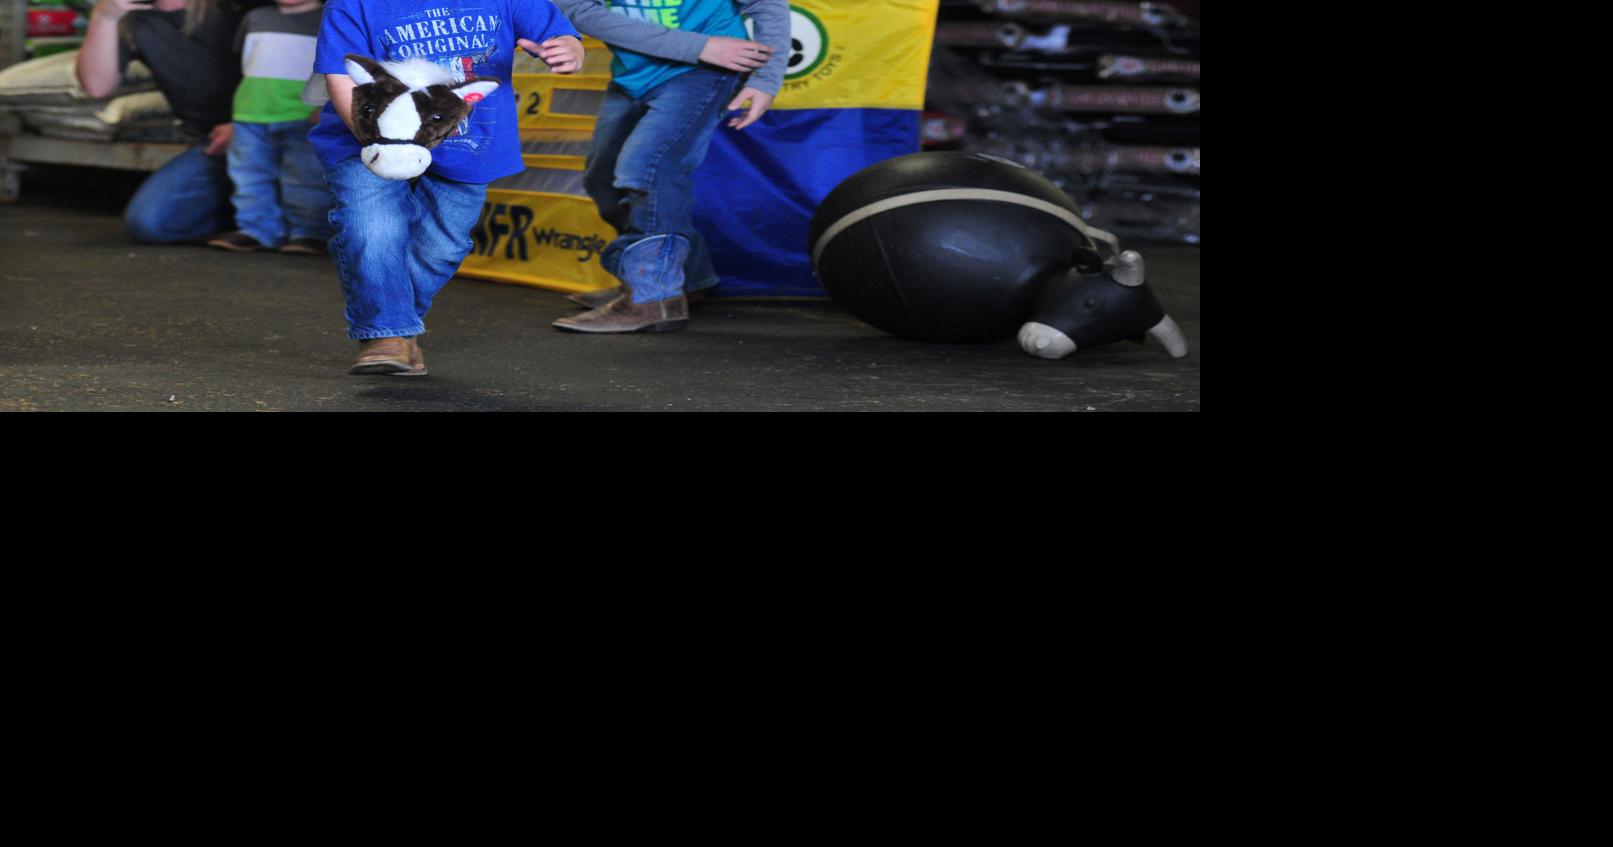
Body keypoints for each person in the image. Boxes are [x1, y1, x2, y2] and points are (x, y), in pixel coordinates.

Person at [312, 0, 583, 376]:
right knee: (373, 227)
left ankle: (399, 325)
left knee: (443, 246)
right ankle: (386, 334)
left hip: (466, 144)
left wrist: (569, 48)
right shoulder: (353, 4)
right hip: (372, 142)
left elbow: (558, 32)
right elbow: (342, 74)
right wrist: (377, 141)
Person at [549, 0, 789, 334]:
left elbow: (767, 5)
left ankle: (653, 295)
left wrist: (766, 78)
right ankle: (688, 277)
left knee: (648, 169)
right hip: (638, 72)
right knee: (603, 180)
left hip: (706, 71)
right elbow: (578, 11)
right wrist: (697, 46)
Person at [76, 0, 247, 244]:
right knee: (150, 222)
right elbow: (96, 86)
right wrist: (104, 17)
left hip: (276, 132)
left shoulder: (234, 8)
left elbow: (296, 61)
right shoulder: (134, 18)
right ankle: (247, 219)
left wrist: (246, 125)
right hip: (213, 144)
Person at [206, 0, 334, 255]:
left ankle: (309, 232)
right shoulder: (254, 17)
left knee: (305, 178)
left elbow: (334, 69)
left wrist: (326, 107)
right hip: (250, 115)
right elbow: (242, 66)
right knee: (248, 176)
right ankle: (256, 230)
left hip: (303, 115)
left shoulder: (329, 19)